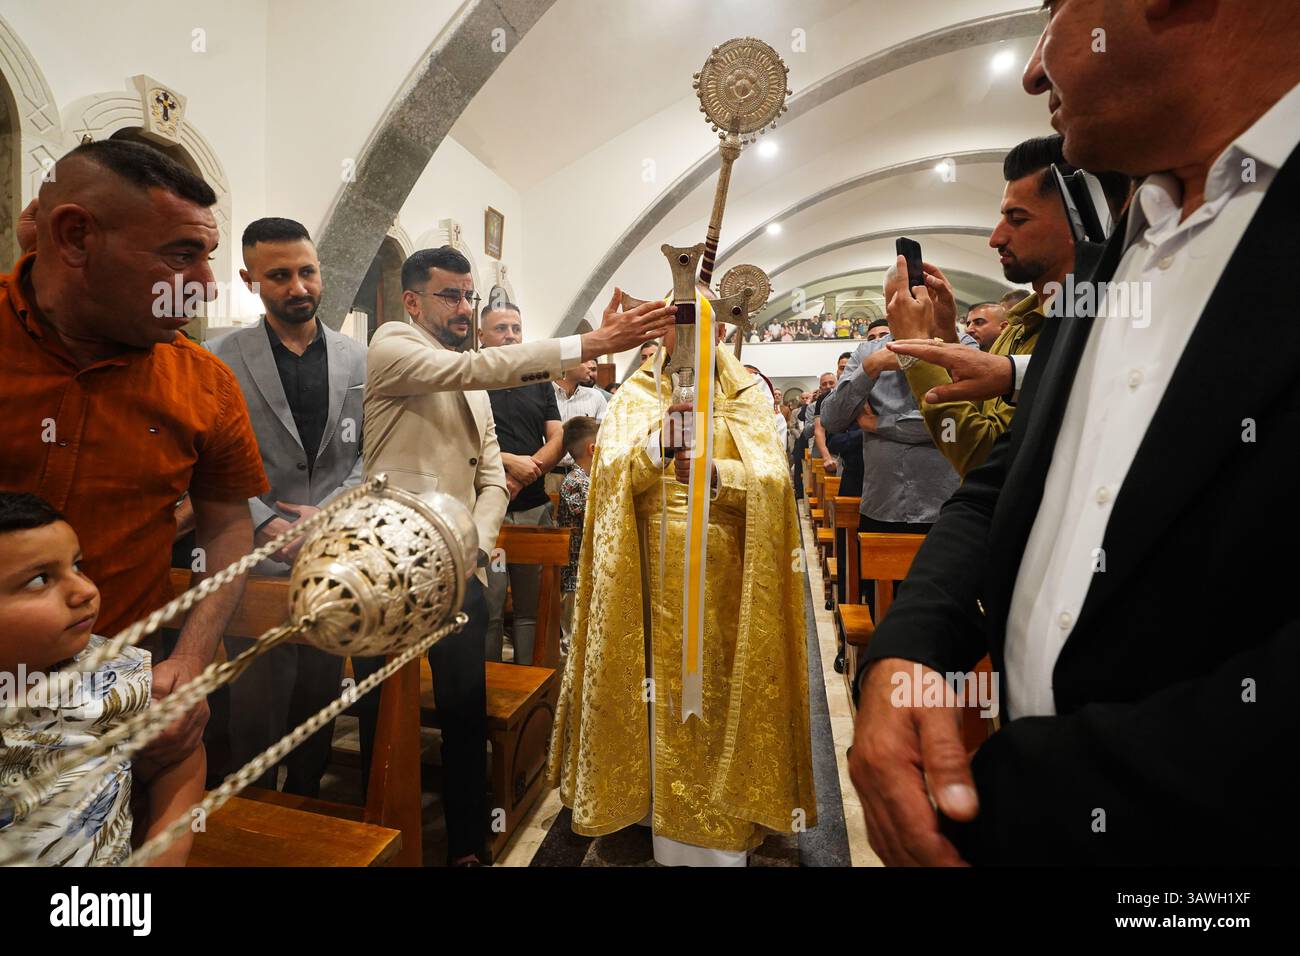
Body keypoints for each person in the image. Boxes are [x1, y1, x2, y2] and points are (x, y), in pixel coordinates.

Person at [850, 0, 1300, 865]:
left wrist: (1026, 798)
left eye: (1055, 9)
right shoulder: (1116, 252)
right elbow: (1004, 484)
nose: (1030, 70)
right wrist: (906, 651)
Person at [358, 246, 673, 865]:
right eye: (450, 295)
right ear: (414, 300)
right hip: (390, 562)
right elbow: (478, 367)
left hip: (458, 565)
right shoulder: (393, 346)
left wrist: (471, 547)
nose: (463, 308)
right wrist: (588, 344)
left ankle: (468, 845)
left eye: (468, 296)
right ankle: (383, 837)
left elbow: (493, 476)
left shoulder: (470, 380)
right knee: (382, 712)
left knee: (464, 707)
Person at [0, 139, 269, 768]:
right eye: (181, 255)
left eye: (208, 256)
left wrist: (188, 662)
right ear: (73, 236)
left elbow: (228, 524)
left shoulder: (205, 384)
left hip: (123, 710)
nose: (205, 287)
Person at [548, 309, 816, 867]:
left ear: (718, 331)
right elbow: (607, 474)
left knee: (710, 694)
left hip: (722, 572)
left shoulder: (747, 394)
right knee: (647, 689)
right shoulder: (637, 392)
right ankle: (644, 811)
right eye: (672, 327)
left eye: (695, 326)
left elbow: (773, 481)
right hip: (642, 567)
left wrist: (718, 476)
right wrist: (659, 447)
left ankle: (714, 832)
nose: (680, 339)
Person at [205, 217, 365, 796]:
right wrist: (263, 517)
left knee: (318, 698)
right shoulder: (216, 357)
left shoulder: (357, 357)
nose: (298, 287)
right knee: (255, 704)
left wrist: (329, 514)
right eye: (279, 276)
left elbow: (367, 455)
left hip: (331, 557)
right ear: (250, 280)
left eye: (307, 271)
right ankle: (252, 820)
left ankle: (304, 802)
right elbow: (204, 459)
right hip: (253, 558)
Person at [887, 135, 1129, 478]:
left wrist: (914, 349)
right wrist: (945, 336)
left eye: (1018, 219)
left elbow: (982, 459)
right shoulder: (1018, 324)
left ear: (1080, 223)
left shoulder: (1086, 329)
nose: (995, 238)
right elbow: (979, 413)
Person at [0, 492, 204, 866]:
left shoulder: (117, 669)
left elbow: (181, 757)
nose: (85, 591)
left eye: (77, 566)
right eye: (39, 580)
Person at [479, 301, 562, 666]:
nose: (510, 335)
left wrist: (530, 470)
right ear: (481, 336)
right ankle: (491, 691)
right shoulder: (470, 380)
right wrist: (507, 464)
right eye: (501, 329)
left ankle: (529, 692)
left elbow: (558, 436)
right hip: (487, 513)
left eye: (515, 328)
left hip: (531, 507)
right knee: (490, 609)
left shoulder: (538, 379)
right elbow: (462, 442)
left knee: (531, 608)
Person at [556, 415, 597, 657]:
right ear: (593, 449)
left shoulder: (589, 479)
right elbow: (591, 516)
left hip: (587, 569)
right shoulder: (574, 482)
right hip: (574, 572)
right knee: (571, 636)